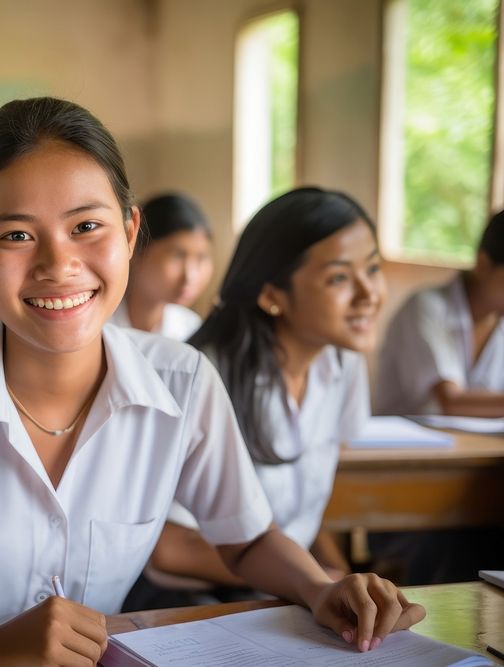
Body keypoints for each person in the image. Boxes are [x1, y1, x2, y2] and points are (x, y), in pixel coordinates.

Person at [0, 98, 424, 666]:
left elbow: (243, 537)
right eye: (16, 236)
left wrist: (318, 585)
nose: (59, 265)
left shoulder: (181, 383)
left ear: (129, 230)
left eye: (87, 226)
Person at [144, 187, 384, 604]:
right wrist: (310, 580)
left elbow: (306, 506)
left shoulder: (343, 365)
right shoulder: (204, 375)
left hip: (283, 588)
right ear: (272, 295)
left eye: (374, 269)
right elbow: (170, 548)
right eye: (340, 278)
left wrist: (332, 572)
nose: (369, 295)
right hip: (189, 600)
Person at [376, 210, 504, 417]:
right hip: (409, 448)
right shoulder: (426, 307)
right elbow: (451, 402)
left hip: (475, 447)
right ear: (483, 264)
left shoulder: (498, 322)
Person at [113, 193, 213, 340]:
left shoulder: (191, 331)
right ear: (136, 248)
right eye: (178, 256)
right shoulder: (98, 324)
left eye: (201, 258)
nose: (190, 276)